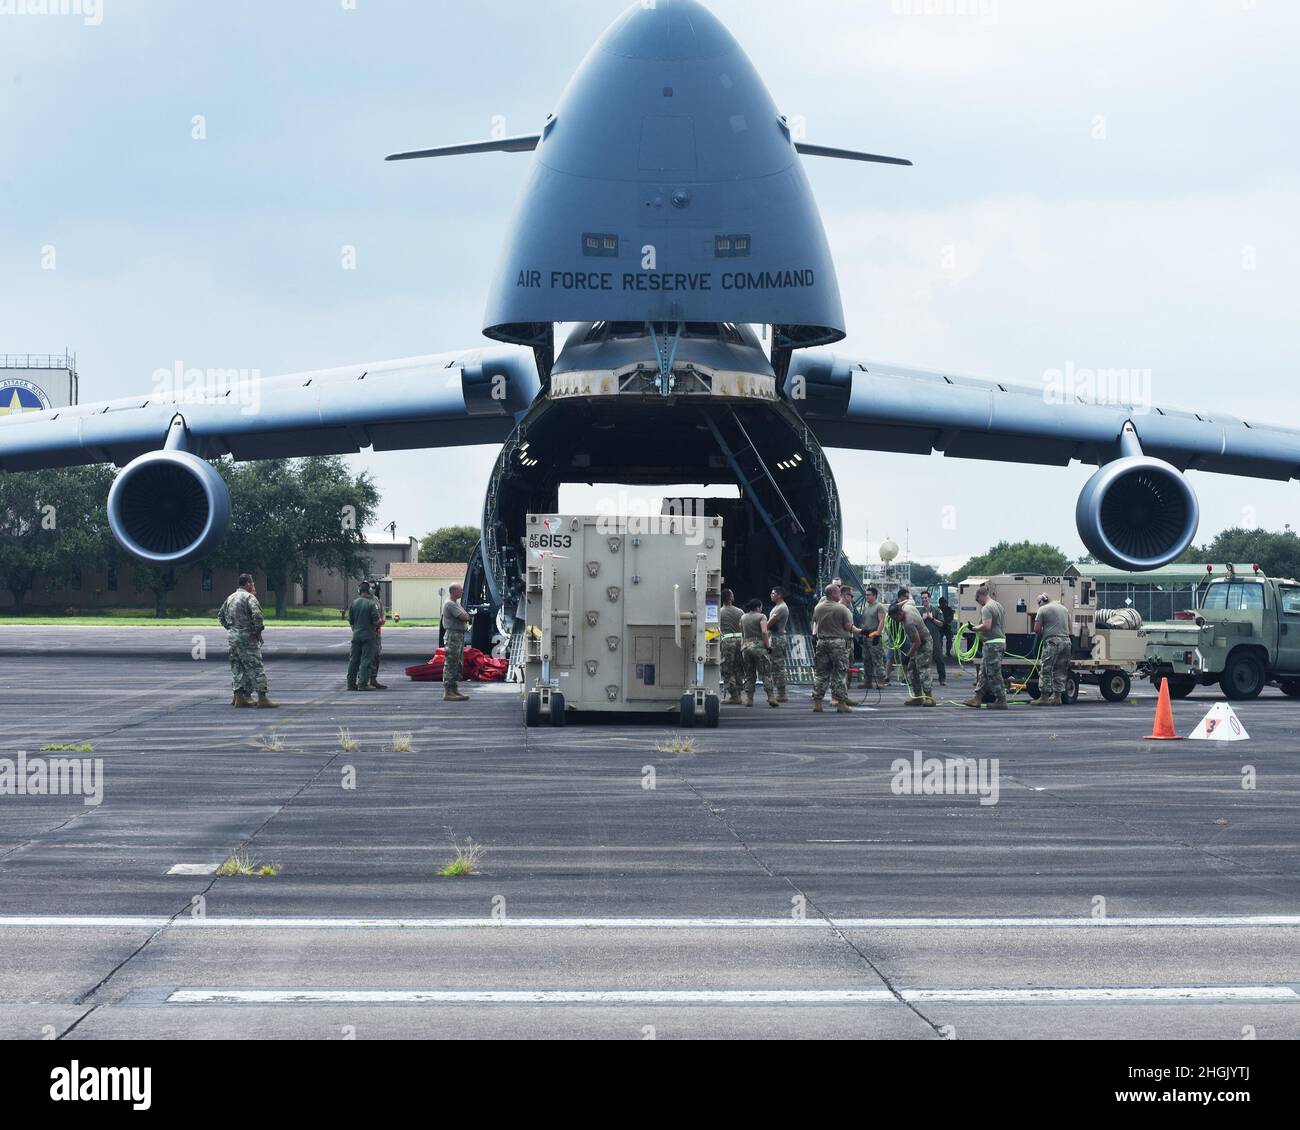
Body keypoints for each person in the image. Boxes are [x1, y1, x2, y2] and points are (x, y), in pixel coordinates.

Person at [218, 573, 277, 709]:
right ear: (249, 584)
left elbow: (220, 616)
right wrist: (257, 631)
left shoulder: (230, 597)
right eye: (253, 583)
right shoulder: (249, 597)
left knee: (237, 668)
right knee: (256, 667)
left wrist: (232, 629)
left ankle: (239, 698)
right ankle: (262, 698)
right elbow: (257, 615)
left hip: (233, 638)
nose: (254, 586)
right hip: (247, 638)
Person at [812, 584, 862, 713]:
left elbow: (816, 623)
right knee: (840, 673)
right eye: (839, 592)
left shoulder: (818, 608)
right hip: (838, 644)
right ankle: (841, 703)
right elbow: (848, 626)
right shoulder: (842, 609)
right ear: (834, 594)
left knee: (821, 673)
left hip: (822, 642)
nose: (840, 595)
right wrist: (862, 632)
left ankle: (817, 703)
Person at [962, 584, 1008, 710]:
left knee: (993, 673)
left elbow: (987, 626)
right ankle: (977, 697)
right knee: (984, 672)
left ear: (981, 596)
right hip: (997, 642)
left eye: (978, 601)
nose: (979, 604)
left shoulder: (987, 608)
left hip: (993, 644)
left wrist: (974, 628)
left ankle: (1001, 699)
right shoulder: (998, 605)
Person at [893, 601, 937, 707]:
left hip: (924, 643)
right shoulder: (907, 607)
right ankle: (918, 697)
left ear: (900, 614)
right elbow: (910, 599)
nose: (896, 621)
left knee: (923, 669)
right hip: (918, 643)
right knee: (912, 668)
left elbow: (917, 642)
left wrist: (907, 656)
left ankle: (929, 697)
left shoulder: (909, 623)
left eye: (895, 619)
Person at [1031, 592, 1072, 706]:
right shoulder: (1064, 609)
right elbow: (1070, 628)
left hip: (1053, 642)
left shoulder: (1042, 610)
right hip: (1066, 642)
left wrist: (1046, 634)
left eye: (1038, 603)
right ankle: (1057, 697)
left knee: (1046, 668)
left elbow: (1037, 629)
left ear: (1041, 602)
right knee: (1060, 669)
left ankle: (1044, 697)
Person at [740, 598, 778, 708]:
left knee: (749, 673)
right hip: (759, 647)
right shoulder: (761, 616)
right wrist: (768, 646)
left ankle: (749, 699)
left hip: (746, 647)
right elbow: (764, 632)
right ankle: (771, 697)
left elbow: (743, 634)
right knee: (765, 672)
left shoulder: (743, 617)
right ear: (758, 607)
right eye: (760, 607)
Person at [347, 581, 382, 692]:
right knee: (366, 660)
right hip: (369, 636)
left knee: (354, 660)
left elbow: (351, 621)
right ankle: (362, 684)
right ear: (369, 591)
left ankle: (351, 684)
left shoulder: (354, 603)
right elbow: (376, 621)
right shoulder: (371, 604)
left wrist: (356, 630)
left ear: (359, 591)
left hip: (356, 635)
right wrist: (382, 621)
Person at [442, 583, 473, 702]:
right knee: (451, 662)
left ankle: (454, 689)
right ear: (453, 591)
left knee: (457, 662)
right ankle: (448, 691)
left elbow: (465, 615)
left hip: (458, 635)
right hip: (453, 635)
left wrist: (467, 615)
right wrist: (467, 616)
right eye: (460, 590)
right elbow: (464, 617)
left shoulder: (455, 603)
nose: (462, 592)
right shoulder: (450, 604)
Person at [719, 589, 744, 705]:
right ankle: (739, 693)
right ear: (731, 598)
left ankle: (734, 696)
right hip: (740, 641)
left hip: (727, 642)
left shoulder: (719, 612)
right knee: (738, 668)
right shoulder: (740, 612)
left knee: (727, 669)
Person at [859, 587, 886, 689]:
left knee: (877, 659)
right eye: (866, 595)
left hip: (874, 635)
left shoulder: (879, 607)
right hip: (866, 636)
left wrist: (878, 635)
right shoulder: (866, 607)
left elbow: (881, 621)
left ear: (874, 595)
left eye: (869, 595)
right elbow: (863, 621)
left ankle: (881, 681)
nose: (867, 597)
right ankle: (868, 681)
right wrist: (862, 634)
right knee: (866, 659)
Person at [766, 587, 790, 703]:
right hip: (775, 638)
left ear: (779, 595)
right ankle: (780, 692)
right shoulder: (778, 607)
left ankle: (782, 693)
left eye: (773, 593)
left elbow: (769, 624)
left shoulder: (781, 608)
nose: (771, 595)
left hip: (777, 639)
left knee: (778, 666)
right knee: (775, 665)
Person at [919, 590, 947, 688]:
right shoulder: (919, 612)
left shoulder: (936, 610)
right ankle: (925, 679)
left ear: (929, 598)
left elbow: (941, 624)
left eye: (926, 598)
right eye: (922, 598)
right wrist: (922, 619)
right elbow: (916, 625)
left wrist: (931, 618)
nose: (924, 600)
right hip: (924, 640)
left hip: (935, 639)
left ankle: (942, 679)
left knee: (939, 658)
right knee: (924, 660)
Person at [367, 579, 388, 691]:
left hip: (377, 633)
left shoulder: (377, 600)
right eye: (369, 587)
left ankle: (373, 679)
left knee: (377, 656)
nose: (371, 589)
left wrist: (383, 619)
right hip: (368, 633)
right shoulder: (364, 601)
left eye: (373, 587)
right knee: (367, 657)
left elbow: (382, 613)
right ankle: (364, 679)